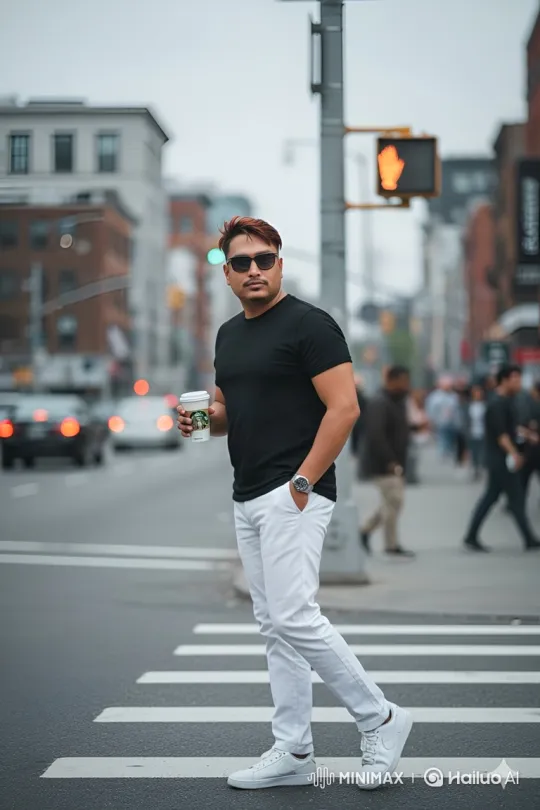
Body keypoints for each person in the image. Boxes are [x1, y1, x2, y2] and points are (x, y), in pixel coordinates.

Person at [176, 217, 412, 791]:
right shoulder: (229, 335)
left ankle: (379, 717)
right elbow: (232, 407)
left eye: (263, 259)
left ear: (280, 263)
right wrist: (200, 419)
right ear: (227, 274)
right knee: (274, 628)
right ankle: (295, 751)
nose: (253, 270)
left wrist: (303, 484)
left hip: (295, 492)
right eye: (241, 262)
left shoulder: (312, 326)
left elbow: (345, 409)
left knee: (294, 617)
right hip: (247, 492)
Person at [462, 365, 540, 552]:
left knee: (492, 497)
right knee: (515, 497)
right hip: (500, 459)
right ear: (504, 380)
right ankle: (529, 539)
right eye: (515, 379)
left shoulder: (507, 402)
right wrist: (514, 453)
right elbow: (502, 434)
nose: (519, 383)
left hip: (501, 458)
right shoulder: (496, 404)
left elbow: (512, 429)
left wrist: (528, 435)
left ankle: (471, 535)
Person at [359, 365, 415, 557]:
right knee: (394, 501)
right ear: (392, 380)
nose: (406, 385)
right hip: (383, 464)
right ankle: (389, 543)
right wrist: (391, 461)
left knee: (392, 502)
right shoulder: (379, 403)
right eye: (403, 381)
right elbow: (376, 435)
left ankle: (365, 531)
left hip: (394, 462)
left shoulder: (396, 402)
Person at [425, 377, 460, 460]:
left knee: (450, 439)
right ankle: (442, 455)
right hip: (439, 422)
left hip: (452, 423)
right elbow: (430, 410)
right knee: (442, 439)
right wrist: (430, 421)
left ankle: (448, 454)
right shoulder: (435, 396)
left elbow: (457, 410)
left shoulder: (453, 396)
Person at [467, 385, 486, 480]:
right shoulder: (469, 406)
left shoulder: (485, 405)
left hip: (483, 433)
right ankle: (475, 470)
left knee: (482, 453)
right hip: (472, 433)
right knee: (474, 453)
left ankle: (481, 468)